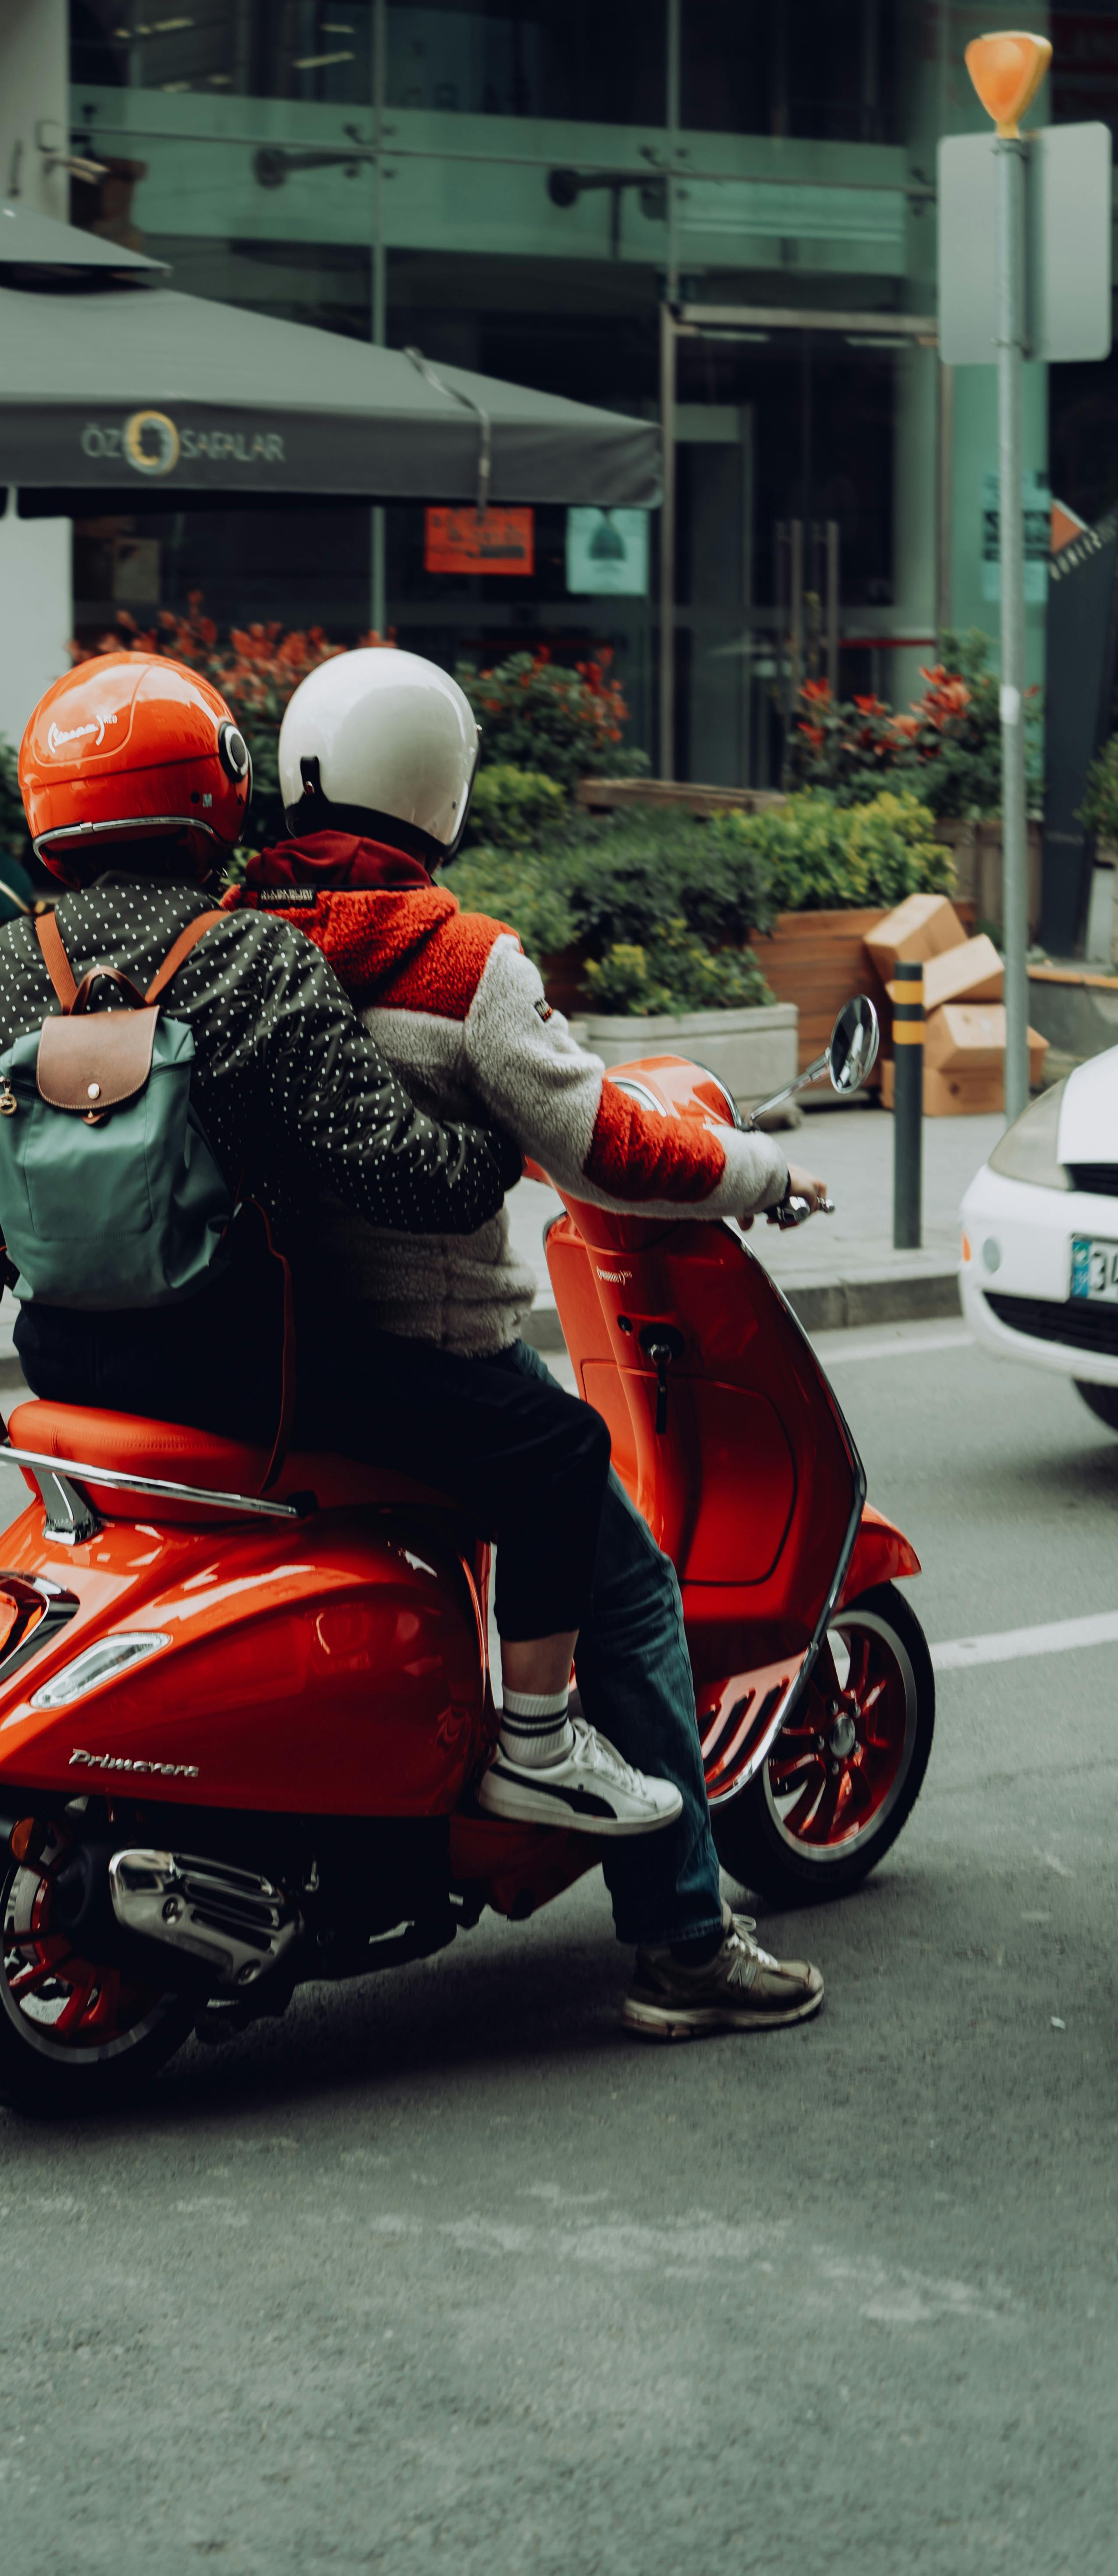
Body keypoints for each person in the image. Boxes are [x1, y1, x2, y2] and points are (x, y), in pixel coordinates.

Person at [0, 652, 682, 1842]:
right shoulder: (247, 957)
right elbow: (405, 1178)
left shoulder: (4, 969)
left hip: (58, 1360)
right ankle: (538, 1745)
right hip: (240, 1374)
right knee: (555, 1447)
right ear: (218, 794)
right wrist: (500, 1141)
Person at [230, 642, 829, 2040]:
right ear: (439, 785)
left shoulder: (233, 933)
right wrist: (758, 1172)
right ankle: (681, 1935)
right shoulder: (459, 958)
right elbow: (603, 1145)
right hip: (437, 1360)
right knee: (625, 1584)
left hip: (268, 1359)